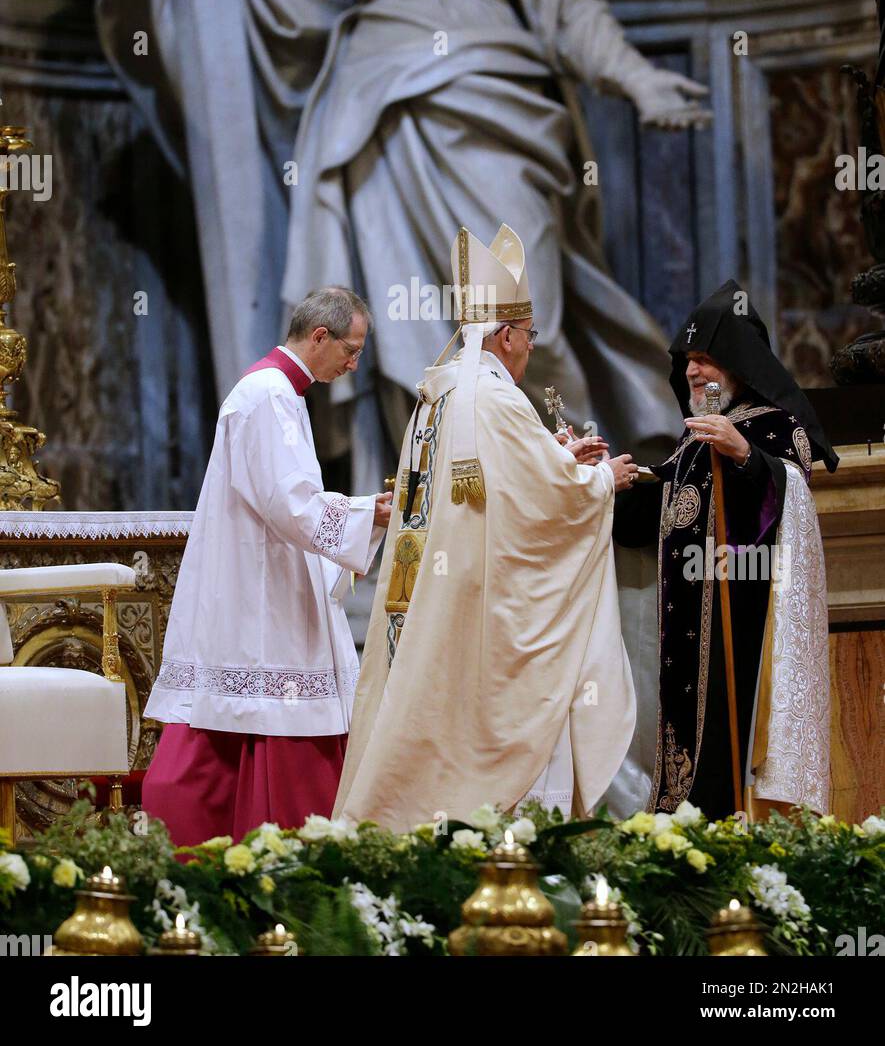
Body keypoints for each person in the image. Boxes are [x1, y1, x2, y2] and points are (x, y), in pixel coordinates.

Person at [98, 0, 709, 484]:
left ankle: (552, 494)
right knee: (408, 323)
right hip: (379, 121)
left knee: (525, 311)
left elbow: (571, 9)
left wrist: (638, 79)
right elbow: (288, 13)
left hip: (499, 112)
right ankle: (423, 507)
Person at [333, 224, 638, 832]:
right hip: (481, 601)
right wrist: (601, 480)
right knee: (486, 727)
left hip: (427, 590)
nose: (530, 346)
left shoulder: (439, 386)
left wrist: (553, 457)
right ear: (504, 334)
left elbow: (486, 484)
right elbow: (544, 507)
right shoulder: (495, 397)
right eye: (527, 335)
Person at [142, 288, 392, 844]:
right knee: (262, 716)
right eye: (350, 350)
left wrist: (359, 517)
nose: (354, 364)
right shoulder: (268, 395)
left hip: (265, 575)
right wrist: (367, 512)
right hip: (258, 591)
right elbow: (290, 503)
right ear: (319, 336)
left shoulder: (277, 392)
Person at [613, 279, 838, 820]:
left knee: (728, 747)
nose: (693, 371)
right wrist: (600, 482)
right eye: (689, 360)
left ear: (739, 364)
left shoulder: (780, 428)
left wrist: (744, 458)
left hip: (745, 624)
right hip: (685, 635)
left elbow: (788, 496)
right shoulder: (694, 440)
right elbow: (654, 513)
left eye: (708, 359)